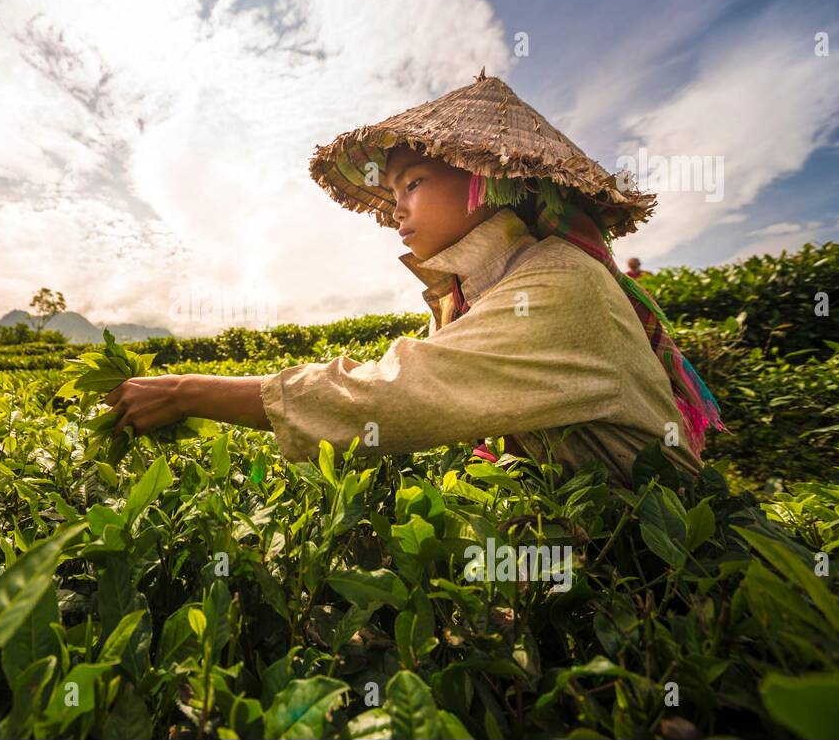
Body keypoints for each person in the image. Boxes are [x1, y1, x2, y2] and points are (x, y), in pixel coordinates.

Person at [103, 70, 725, 487]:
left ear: (487, 177)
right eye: (394, 190)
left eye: (413, 184)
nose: (396, 208)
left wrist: (187, 391)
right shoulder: (479, 288)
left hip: (659, 561)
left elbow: (391, 394)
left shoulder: (558, 284)